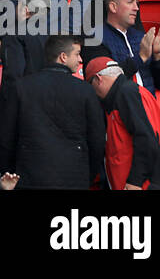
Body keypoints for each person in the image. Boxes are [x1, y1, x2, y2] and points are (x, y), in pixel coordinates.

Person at [0, 36, 104, 189]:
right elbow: (97, 139)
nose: (80, 59)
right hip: (75, 177)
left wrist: (9, 172)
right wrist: (87, 175)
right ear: (63, 57)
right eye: (77, 54)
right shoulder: (86, 90)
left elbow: (6, 138)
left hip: (30, 177)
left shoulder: (21, 88)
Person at [85, 56, 160, 190]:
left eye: (90, 85)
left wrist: (135, 181)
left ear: (98, 79)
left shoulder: (126, 93)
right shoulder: (122, 94)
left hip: (157, 180)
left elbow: (145, 139)